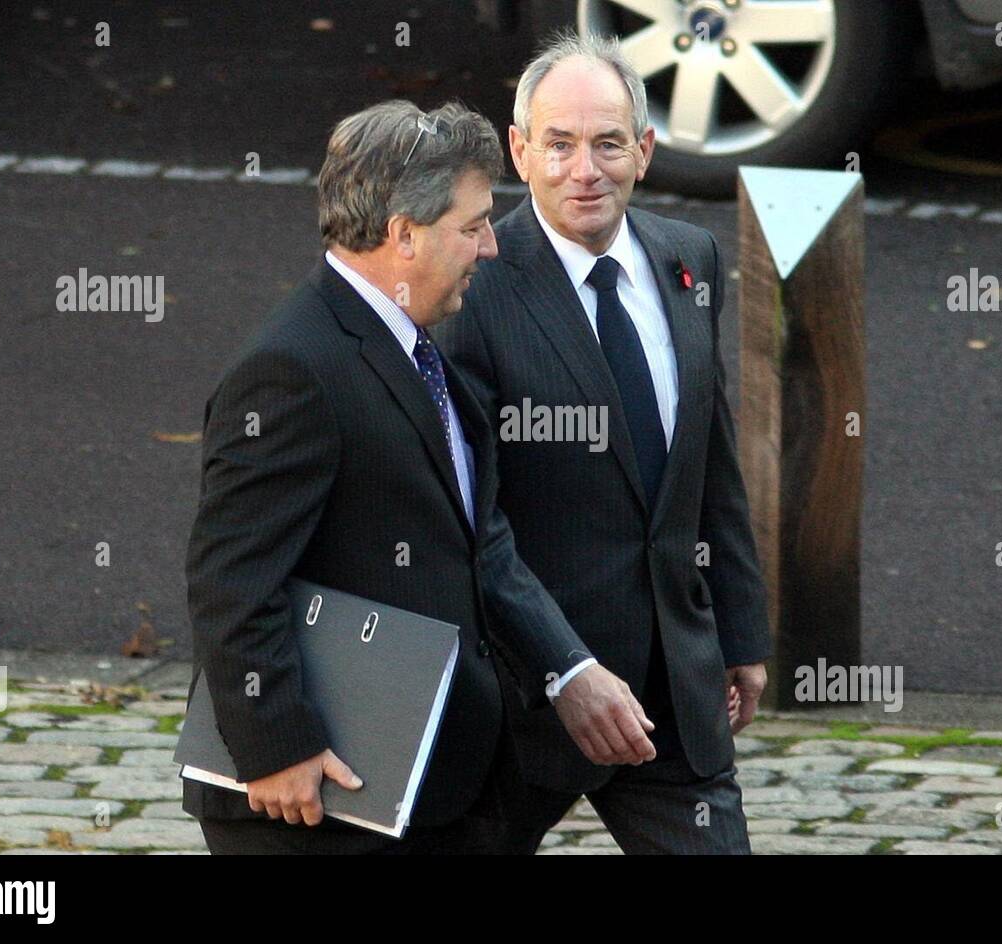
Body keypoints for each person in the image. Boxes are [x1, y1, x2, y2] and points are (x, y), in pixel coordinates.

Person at [183, 99, 646, 854]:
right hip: (318, 804)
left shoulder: (420, 349)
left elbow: (478, 538)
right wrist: (277, 748)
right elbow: (230, 579)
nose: (490, 247)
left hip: (430, 785)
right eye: (472, 227)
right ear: (403, 234)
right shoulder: (292, 373)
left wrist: (568, 668)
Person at [434, 33, 773, 854]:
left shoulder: (688, 260)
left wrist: (740, 630)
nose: (584, 168)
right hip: (524, 703)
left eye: (608, 143)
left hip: (671, 689)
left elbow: (710, 460)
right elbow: (474, 520)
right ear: (520, 150)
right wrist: (565, 669)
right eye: (558, 144)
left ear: (645, 151)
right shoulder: (471, 288)